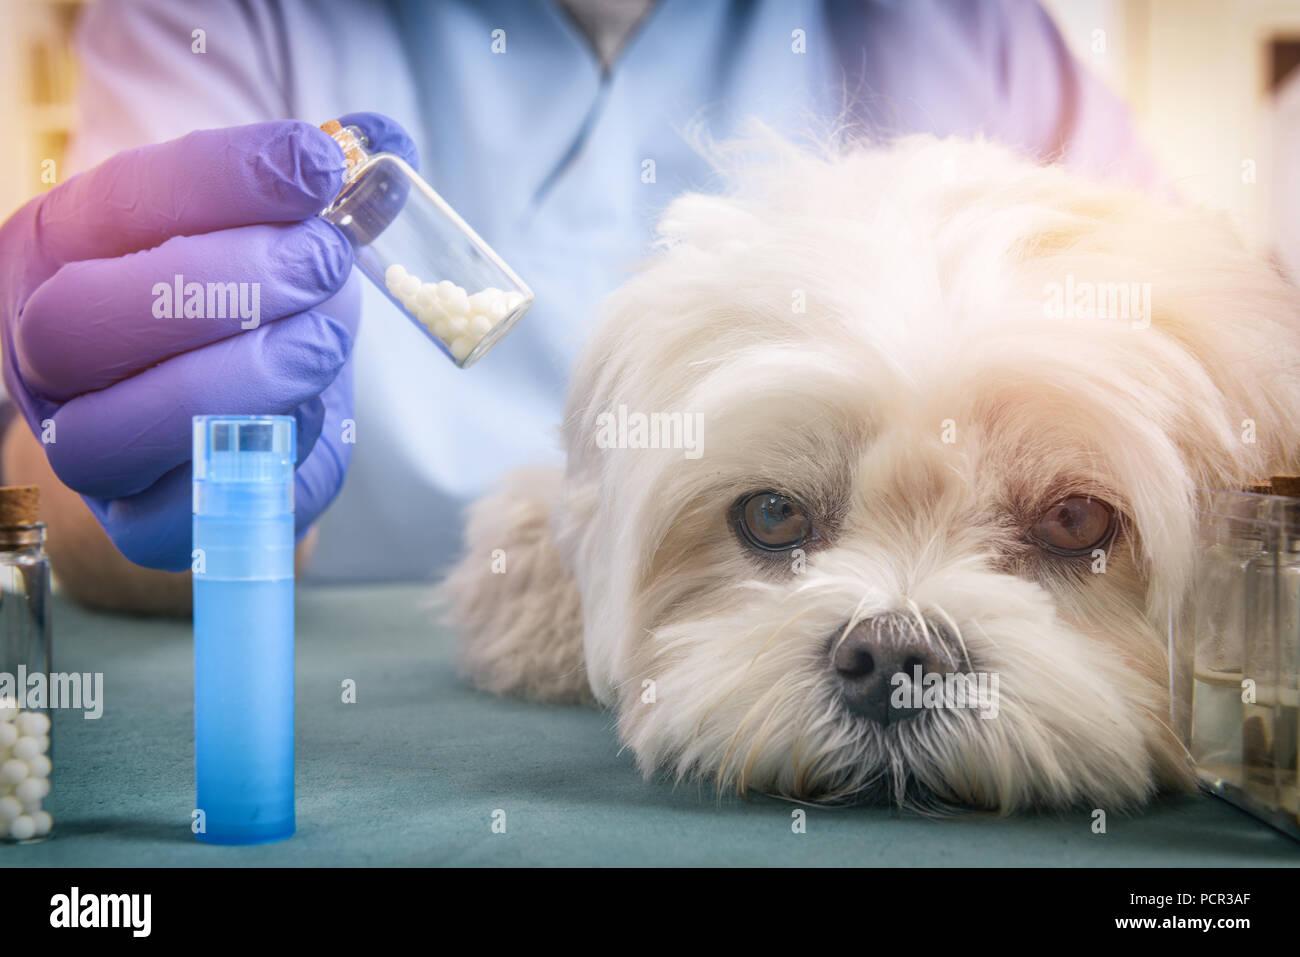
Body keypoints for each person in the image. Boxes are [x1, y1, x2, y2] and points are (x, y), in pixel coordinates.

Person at [0, 0, 1160, 615]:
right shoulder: (216, 14)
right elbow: (86, 488)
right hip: (370, 695)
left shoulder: (964, 30)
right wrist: (156, 462)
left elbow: (1202, 406)